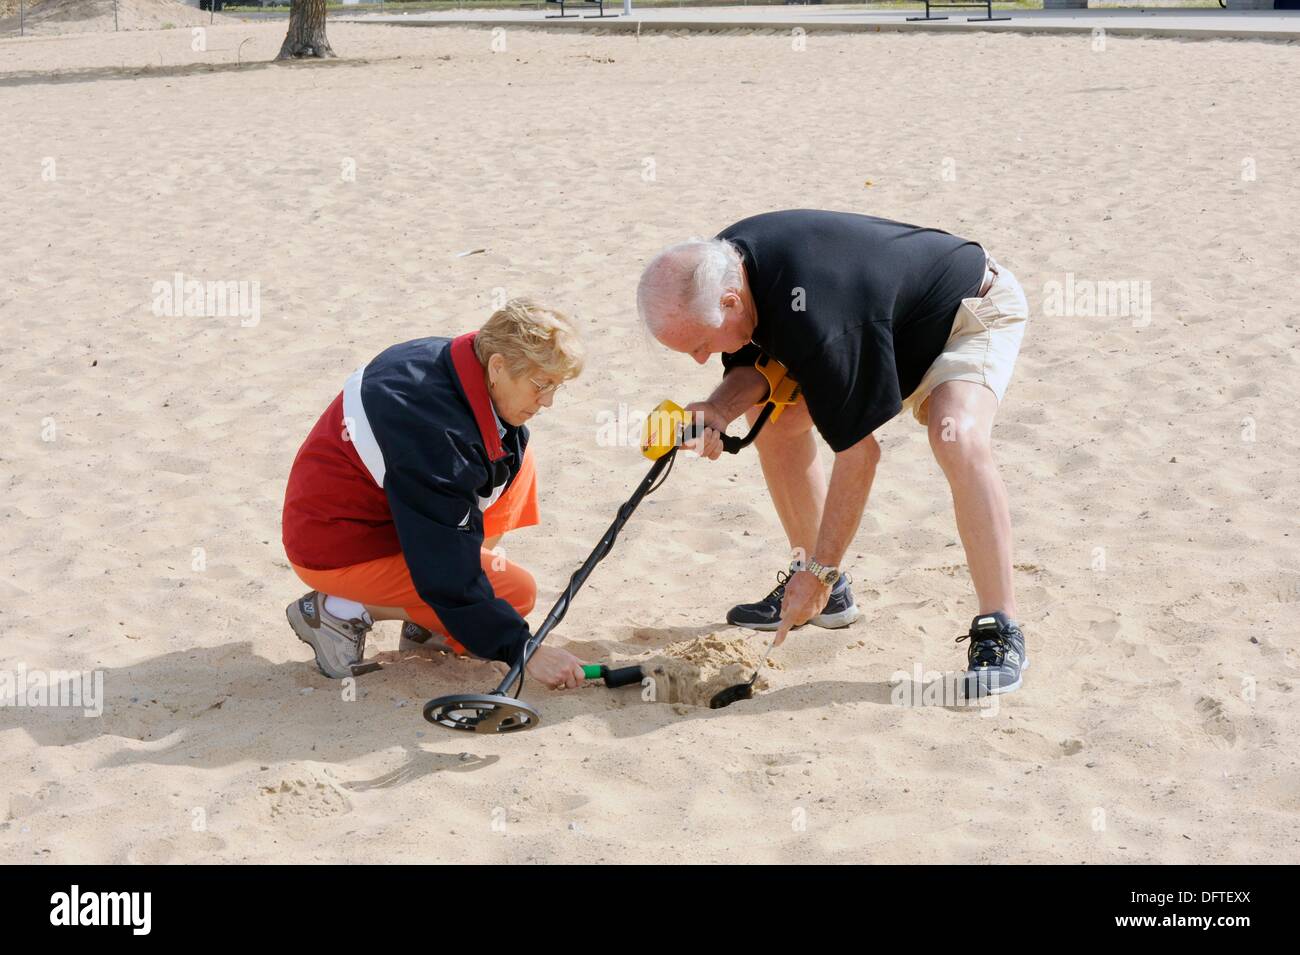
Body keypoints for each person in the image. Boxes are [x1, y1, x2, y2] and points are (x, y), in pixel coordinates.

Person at [637, 209, 1030, 695]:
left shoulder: (820, 312)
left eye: (699, 344)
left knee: (956, 433)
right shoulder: (719, 265)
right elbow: (761, 360)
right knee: (779, 426)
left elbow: (860, 455)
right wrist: (717, 408)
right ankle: (830, 594)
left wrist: (819, 571)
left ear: (731, 301)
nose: (701, 359)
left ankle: (1000, 626)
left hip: (966, 313)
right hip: (878, 325)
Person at [280, 298, 589, 691]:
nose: (548, 401)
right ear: (497, 366)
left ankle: (431, 623)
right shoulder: (437, 439)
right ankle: (335, 611)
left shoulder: (450, 359)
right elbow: (448, 572)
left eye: (556, 387)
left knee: (517, 462)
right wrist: (522, 648)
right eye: (541, 385)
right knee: (513, 593)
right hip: (332, 547)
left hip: (366, 509)